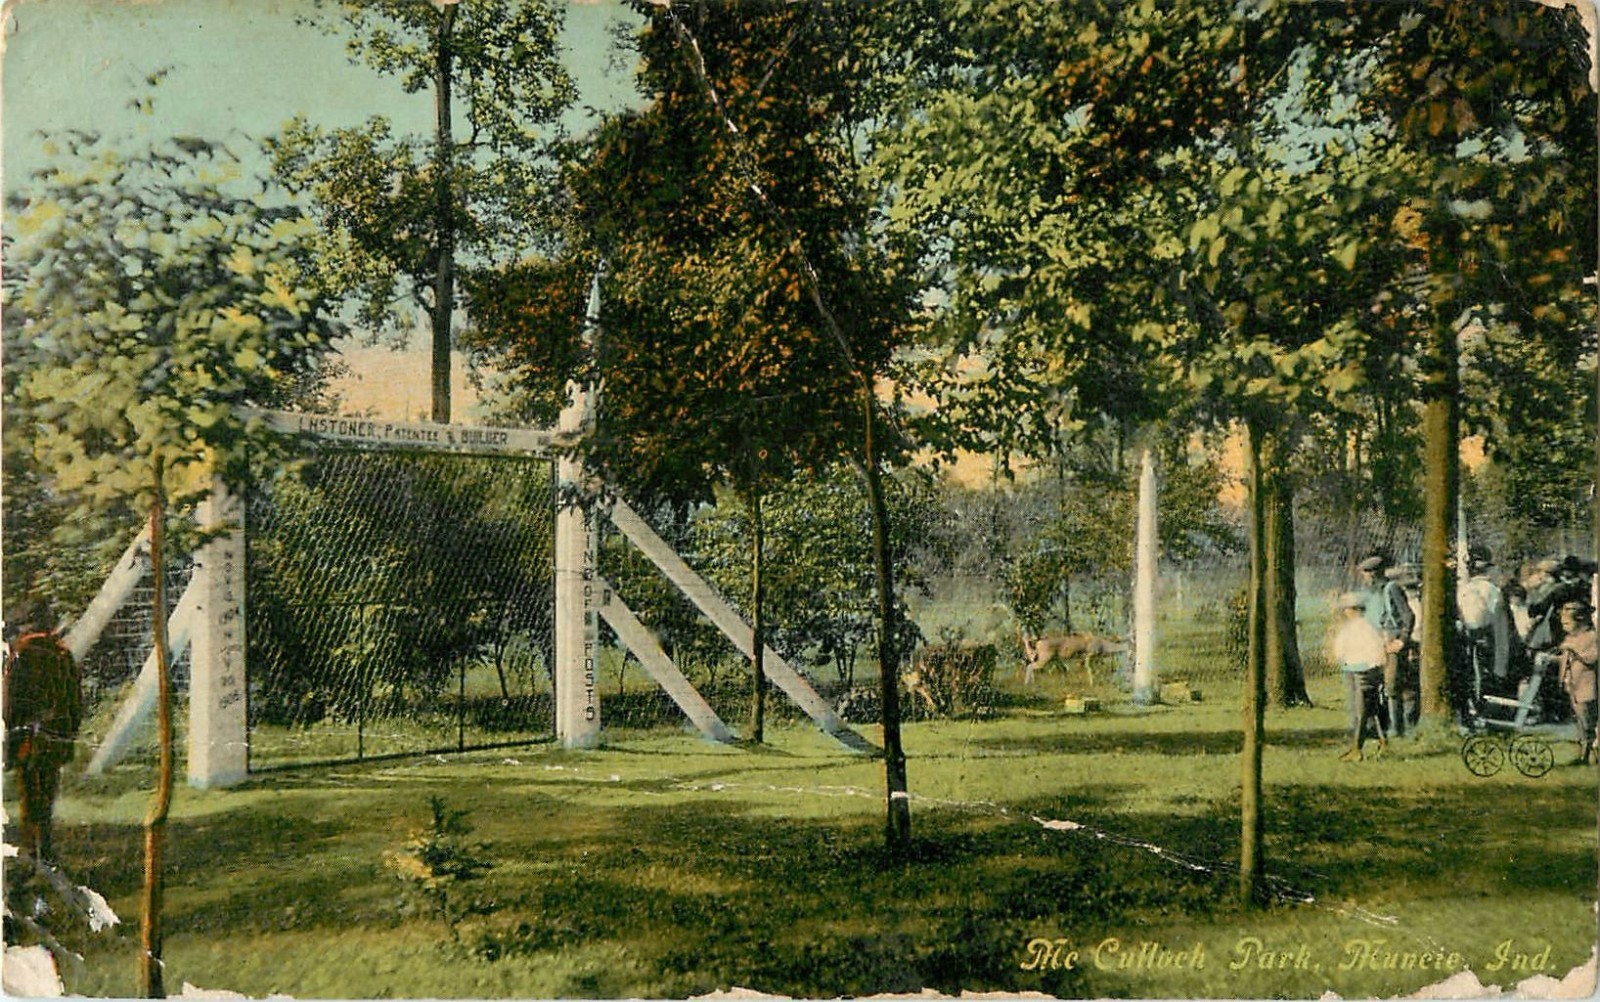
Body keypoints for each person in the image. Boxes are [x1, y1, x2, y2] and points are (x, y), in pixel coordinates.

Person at [4, 607, 83, 862]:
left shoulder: (21, 654)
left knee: (29, 792)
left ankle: (31, 847)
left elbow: (10, 701)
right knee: (46, 792)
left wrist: (11, 727)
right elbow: (75, 699)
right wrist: (69, 731)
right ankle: (44, 847)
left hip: (27, 735)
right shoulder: (62, 654)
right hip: (55, 734)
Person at [1358, 553, 1414, 736]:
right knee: (1378, 685)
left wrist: (1402, 640)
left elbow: (1408, 616)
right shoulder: (1374, 593)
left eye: (1366, 573)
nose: (1365, 577)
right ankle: (1382, 726)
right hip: (1378, 640)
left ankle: (1398, 729)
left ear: (1374, 573)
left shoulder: (1391, 588)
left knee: (1393, 686)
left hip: (1392, 639)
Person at [1331, 591, 1387, 762]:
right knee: (1369, 709)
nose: (1345, 613)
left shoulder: (1362, 628)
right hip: (1355, 669)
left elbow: (1374, 653)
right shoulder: (1358, 628)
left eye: (1347, 609)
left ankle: (1357, 748)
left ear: (1354, 610)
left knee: (1361, 710)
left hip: (1363, 671)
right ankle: (1382, 742)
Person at [1457, 545, 1512, 706]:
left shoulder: (1465, 590)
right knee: (1481, 671)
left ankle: (1478, 704)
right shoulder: (1492, 590)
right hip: (1481, 635)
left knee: (1476, 672)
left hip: (1476, 635)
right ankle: (1480, 703)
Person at [1556, 600, 1597, 765]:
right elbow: (1565, 660)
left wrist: (1575, 651)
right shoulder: (1571, 638)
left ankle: (1586, 755)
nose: (1564, 626)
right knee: (1580, 720)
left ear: (1579, 621)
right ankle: (1584, 753)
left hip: (1587, 685)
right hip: (1573, 684)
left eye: (1567, 623)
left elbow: (1593, 658)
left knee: (1587, 721)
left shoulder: (1592, 637)